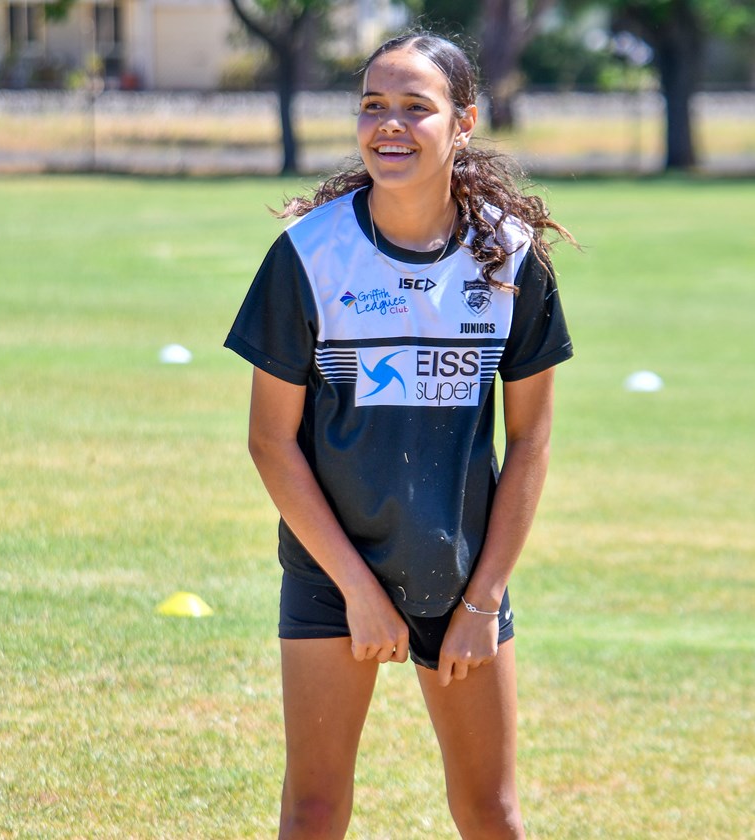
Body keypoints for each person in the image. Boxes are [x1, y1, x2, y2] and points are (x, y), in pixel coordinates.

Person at [225, 31, 574, 840]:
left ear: (464, 122)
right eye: (373, 106)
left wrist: (483, 599)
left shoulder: (509, 260)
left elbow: (529, 444)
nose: (390, 124)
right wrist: (355, 590)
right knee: (312, 812)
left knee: (493, 814)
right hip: (330, 576)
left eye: (417, 107)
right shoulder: (311, 254)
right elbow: (269, 442)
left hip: (461, 577)